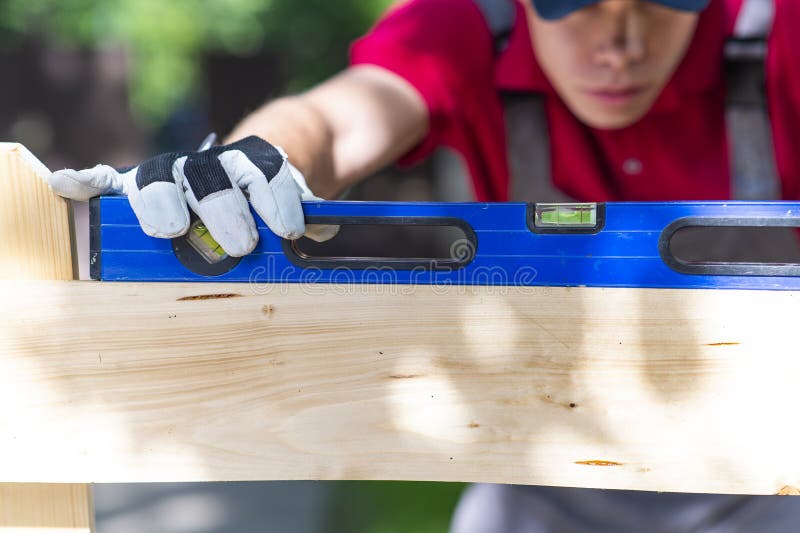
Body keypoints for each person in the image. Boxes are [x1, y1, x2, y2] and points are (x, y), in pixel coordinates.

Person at [47, 0, 800, 531]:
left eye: (662, 1)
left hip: (776, 472)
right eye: (573, 5)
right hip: (547, 471)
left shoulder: (778, 29)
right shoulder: (469, 27)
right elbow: (338, 117)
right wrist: (259, 156)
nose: (620, 41)